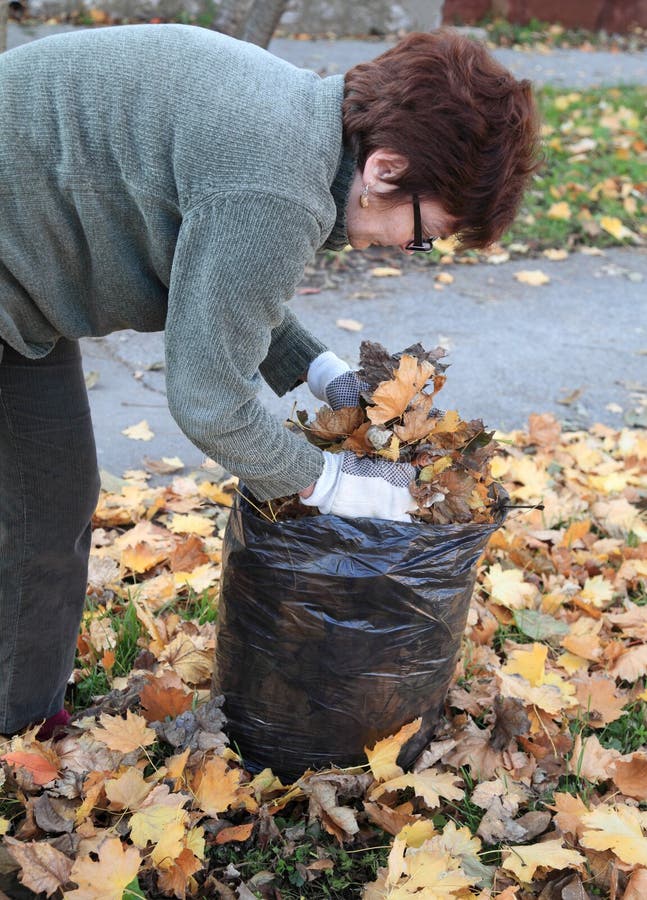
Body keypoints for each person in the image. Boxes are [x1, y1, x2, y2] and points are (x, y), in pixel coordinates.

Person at [0, 24, 540, 736]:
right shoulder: (276, 185)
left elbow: (214, 279)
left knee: (49, 503)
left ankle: (23, 728)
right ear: (384, 170)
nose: (406, 252)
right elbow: (209, 401)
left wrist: (321, 374)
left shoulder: (296, 130)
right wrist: (337, 487)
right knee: (40, 508)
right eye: (420, 236)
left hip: (22, 297)